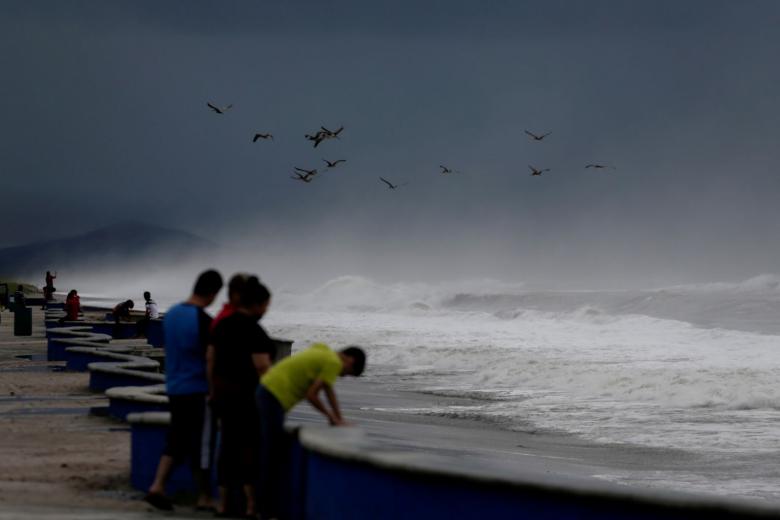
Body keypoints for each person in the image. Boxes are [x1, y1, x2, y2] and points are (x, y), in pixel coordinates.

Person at [255, 343, 366, 518]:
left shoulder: (325, 354)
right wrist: (331, 417)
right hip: (274, 397)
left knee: (269, 451)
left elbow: (329, 391)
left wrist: (338, 419)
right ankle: (264, 509)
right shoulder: (334, 363)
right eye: (348, 372)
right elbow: (312, 395)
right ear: (350, 359)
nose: (343, 376)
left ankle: (262, 506)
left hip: (265, 389)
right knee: (271, 455)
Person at [145, 269, 223, 512]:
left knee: (178, 438)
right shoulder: (204, 321)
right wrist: (213, 390)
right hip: (197, 388)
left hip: (174, 385)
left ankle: (158, 485)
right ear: (212, 292)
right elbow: (210, 359)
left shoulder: (172, 315)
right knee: (202, 445)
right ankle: (204, 497)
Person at [208, 276, 275, 517]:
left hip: (223, 395)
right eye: (266, 305)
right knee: (249, 451)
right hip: (248, 399)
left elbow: (210, 359)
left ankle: (224, 504)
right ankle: (251, 507)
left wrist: (213, 390)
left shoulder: (223, 324)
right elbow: (262, 368)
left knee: (226, 449)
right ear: (256, 304)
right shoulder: (254, 331)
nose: (266, 310)